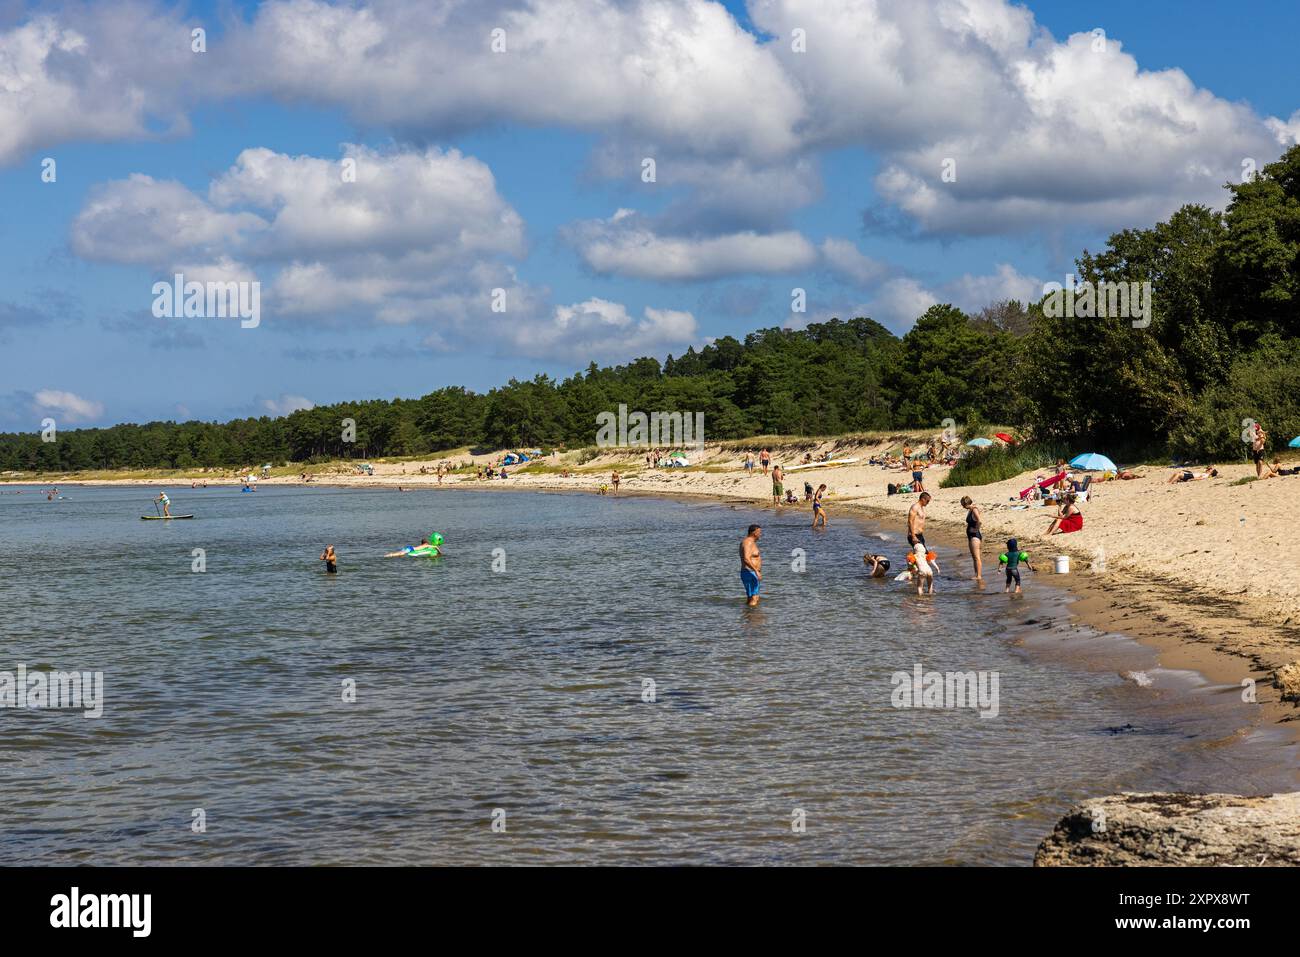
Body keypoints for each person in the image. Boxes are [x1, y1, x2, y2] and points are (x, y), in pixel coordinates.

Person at [740, 524, 763, 606]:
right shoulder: (748, 542)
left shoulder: (750, 542)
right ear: (754, 533)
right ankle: (753, 617)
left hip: (751, 573)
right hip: (750, 572)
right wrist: (756, 571)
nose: (760, 534)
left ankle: (748, 615)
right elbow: (746, 558)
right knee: (754, 598)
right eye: (759, 532)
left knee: (752, 597)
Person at [961, 495, 983, 579]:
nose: (962, 506)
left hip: (975, 536)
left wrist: (975, 530)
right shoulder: (970, 510)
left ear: (965, 503)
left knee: (977, 557)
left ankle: (979, 575)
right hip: (971, 536)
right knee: (974, 557)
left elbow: (979, 521)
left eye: (962, 504)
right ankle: (976, 574)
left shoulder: (974, 510)